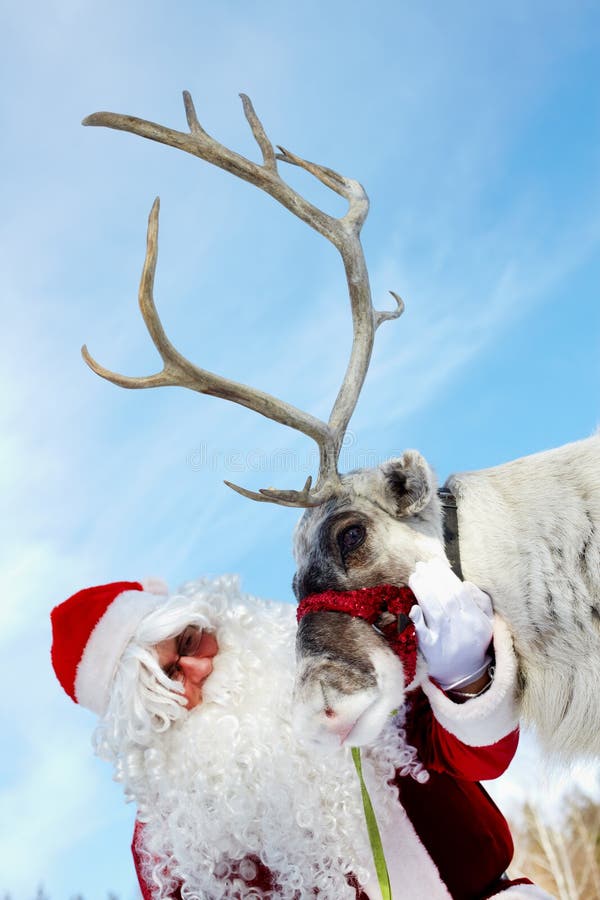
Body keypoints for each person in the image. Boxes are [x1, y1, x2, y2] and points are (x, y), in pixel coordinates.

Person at [50, 566, 552, 900]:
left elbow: (481, 757)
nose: (200, 665)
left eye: (189, 639)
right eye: (168, 677)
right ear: (144, 716)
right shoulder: (172, 848)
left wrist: (464, 677)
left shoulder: (339, 666)